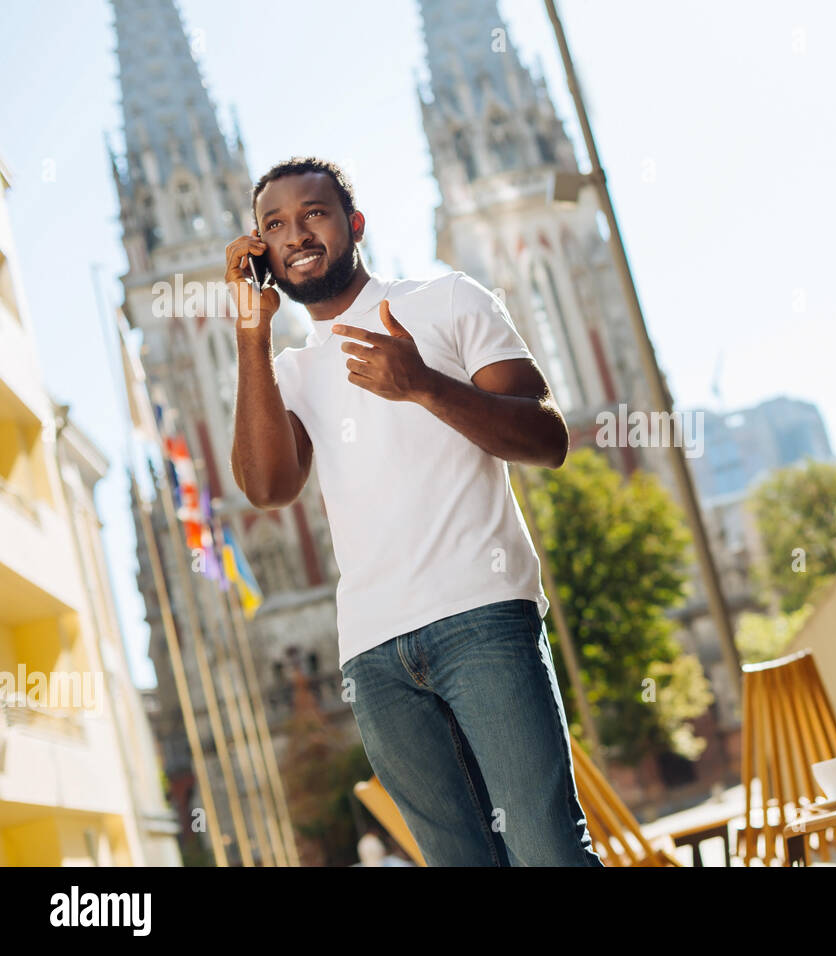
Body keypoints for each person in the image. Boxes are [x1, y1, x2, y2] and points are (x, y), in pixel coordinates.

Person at [226, 156, 603, 867]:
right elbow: (268, 488)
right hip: (373, 657)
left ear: (354, 225)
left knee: (547, 850)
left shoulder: (448, 299)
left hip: (483, 618)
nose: (296, 233)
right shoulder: (288, 374)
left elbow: (547, 438)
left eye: (314, 213)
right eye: (274, 224)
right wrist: (251, 333)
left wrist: (425, 385)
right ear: (261, 255)